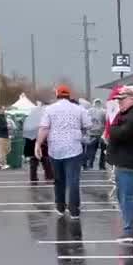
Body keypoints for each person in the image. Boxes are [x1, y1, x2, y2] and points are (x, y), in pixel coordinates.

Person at [36, 85, 91, 219]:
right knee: (73, 180)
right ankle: (74, 209)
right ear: (69, 95)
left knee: (59, 179)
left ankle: (60, 206)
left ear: (57, 95)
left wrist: (38, 144)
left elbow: (44, 128)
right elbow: (88, 125)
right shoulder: (79, 109)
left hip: (55, 149)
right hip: (74, 148)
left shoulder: (49, 109)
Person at [106, 88, 133, 240]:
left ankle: (131, 228)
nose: (119, 103)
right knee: (131, 196)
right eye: (118, 100)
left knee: (127, 197)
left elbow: (119, 134)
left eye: (122, 100)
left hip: (128, 163)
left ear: (132, 99)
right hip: (131, 161)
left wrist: (113, 127)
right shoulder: (131, 114)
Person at [22, 100, 53, 182]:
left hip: (30, 139)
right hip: (40, 139)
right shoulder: (43, 117)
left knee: (34, 159)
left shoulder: (29, 118)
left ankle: (33, 177)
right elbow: (45, 128)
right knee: (45, 158)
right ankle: (49, 175)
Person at [84, 99, 106, 169]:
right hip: (101, 133)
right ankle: (101, 165)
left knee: (91, 150)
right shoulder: (104, 111)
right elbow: (106, 122)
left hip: (92, 133)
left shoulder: (89, 111)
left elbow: (86, 122)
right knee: (103, 151)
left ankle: (90, 164)